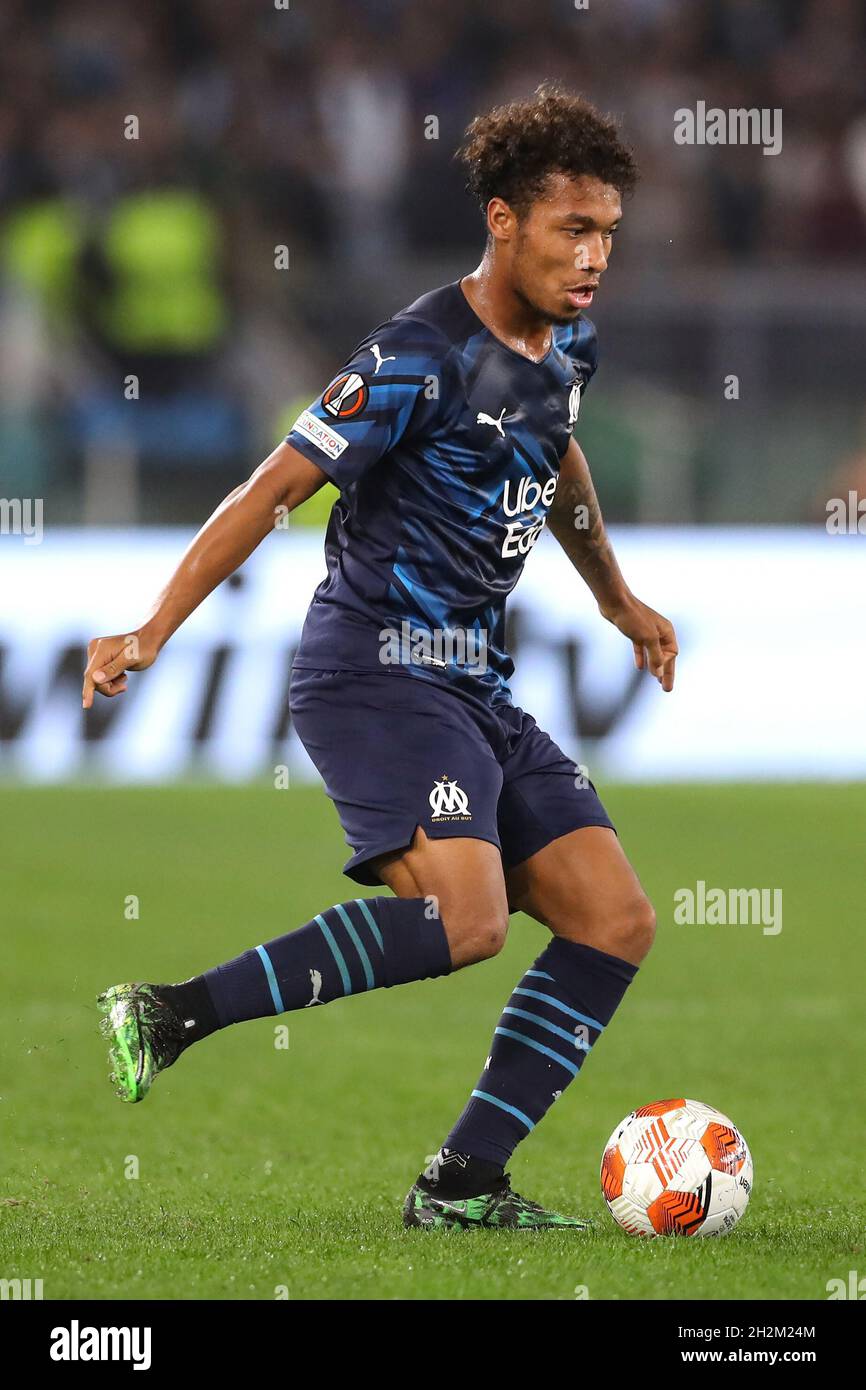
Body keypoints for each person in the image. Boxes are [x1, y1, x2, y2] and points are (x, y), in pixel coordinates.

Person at [84, 85, 678, 1231]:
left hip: (471, 680)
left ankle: (460, 1188)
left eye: (607, 230)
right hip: (372, 672)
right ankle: (167, 1013)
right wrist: (151, 629)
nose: (594, 253)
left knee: (615, 917)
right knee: (470, 919)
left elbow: (555, 462)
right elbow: (271, 490)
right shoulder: (411, 357)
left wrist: (615, 596)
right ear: (501, 219)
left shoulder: (567, 348)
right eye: (572, 228)